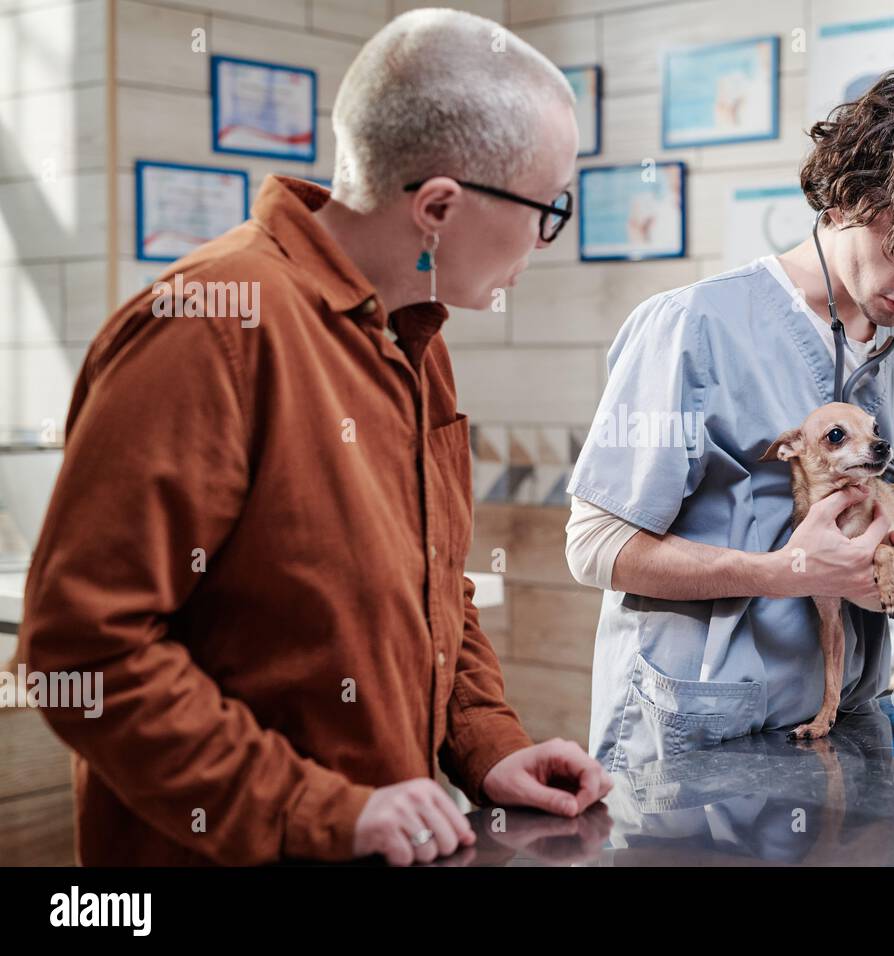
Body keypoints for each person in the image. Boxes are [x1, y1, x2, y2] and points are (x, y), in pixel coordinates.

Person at [18, 8, 609, 867]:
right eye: (547, 207)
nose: (546, 239)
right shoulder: (208, 326)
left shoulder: (414, 334)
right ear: (438, 206)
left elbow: (432, 589)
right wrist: (316, 809)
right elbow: (85, 654)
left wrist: (488, 746)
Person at [565, 70, 894, 771]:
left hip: (844, 747)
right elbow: (596, 547)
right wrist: (787, 571)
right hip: (691, 749)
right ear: (847, 197)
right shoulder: (692, 330)